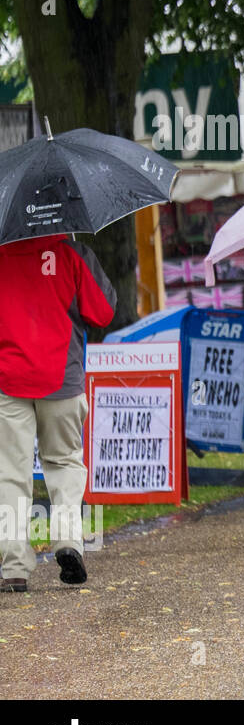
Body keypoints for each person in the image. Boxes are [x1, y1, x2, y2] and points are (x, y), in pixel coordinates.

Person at [0, 235, 116, 592]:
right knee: (64, 463)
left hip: (8, 376)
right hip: (62, 377)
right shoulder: (72, 252)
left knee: (9, 473)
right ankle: (68, 541)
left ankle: (14, 566)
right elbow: (103, 311)